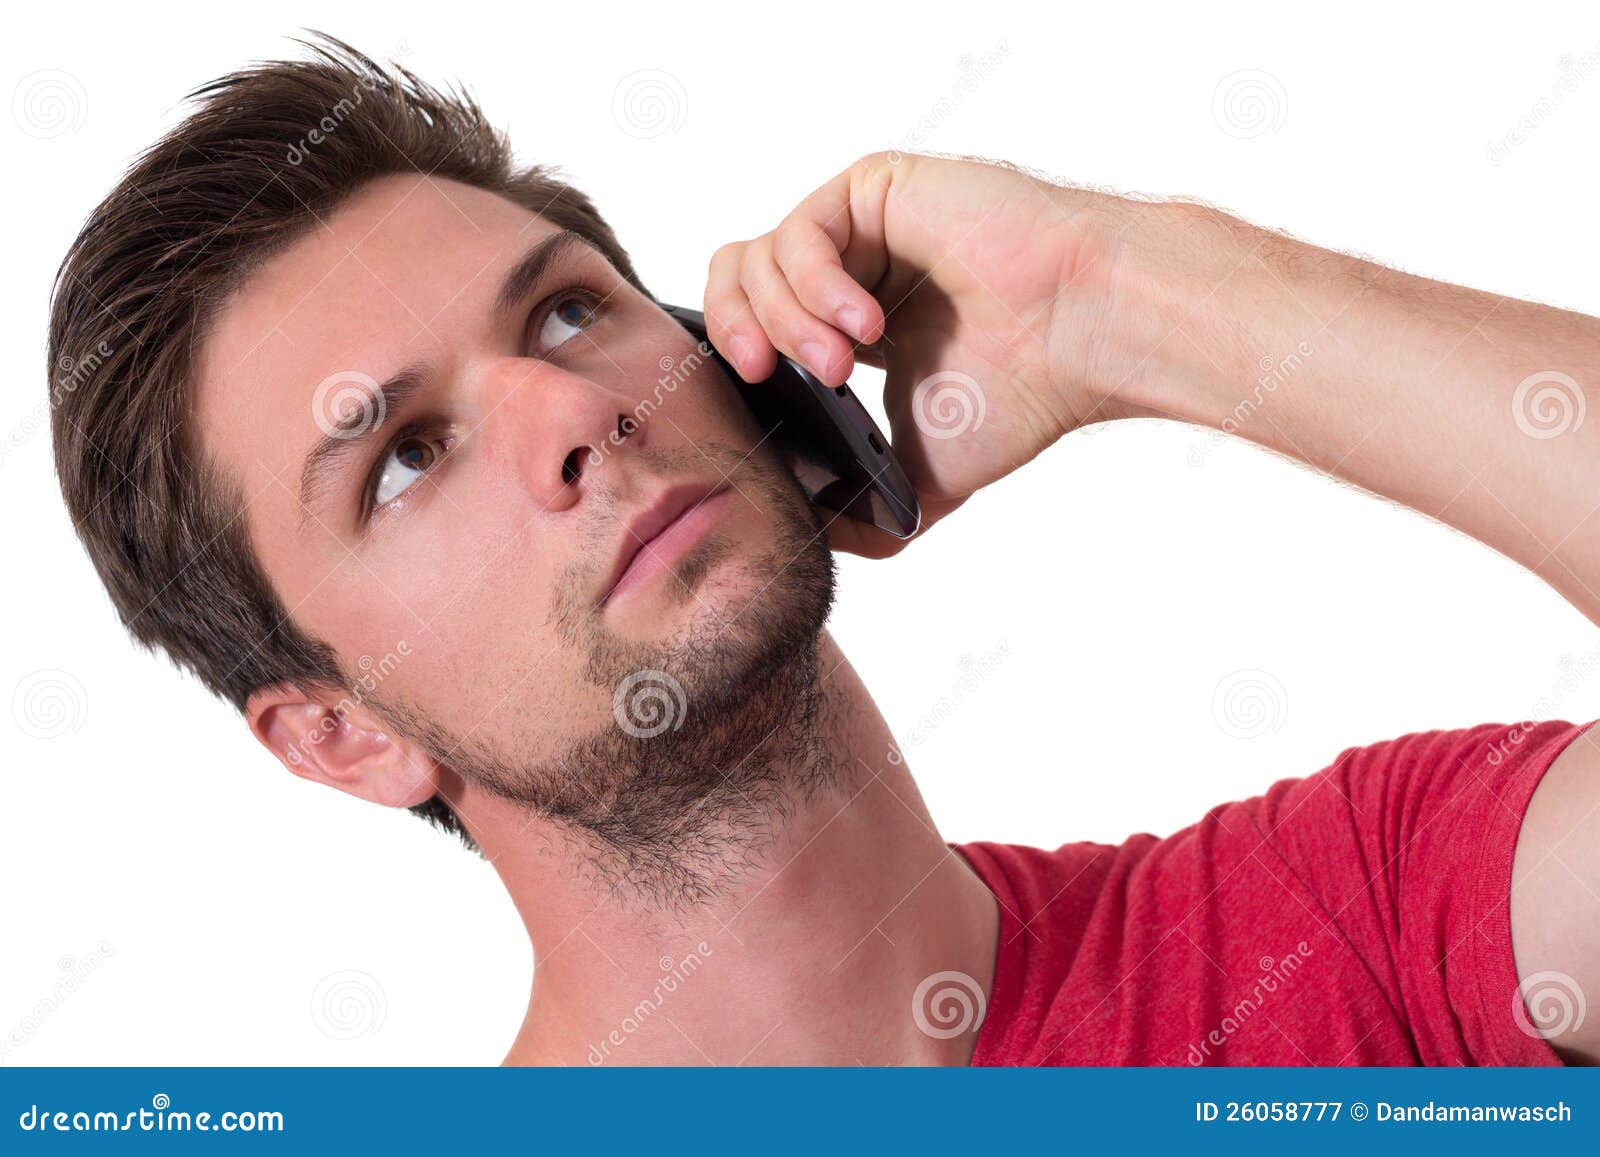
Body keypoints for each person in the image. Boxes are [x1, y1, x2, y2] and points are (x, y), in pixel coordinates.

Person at [48, 36, 1600, 1065]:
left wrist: (1114, 300)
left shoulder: (1349, 923)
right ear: (341, 729)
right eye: (402, 456)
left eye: (570, 310)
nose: (575, 411)